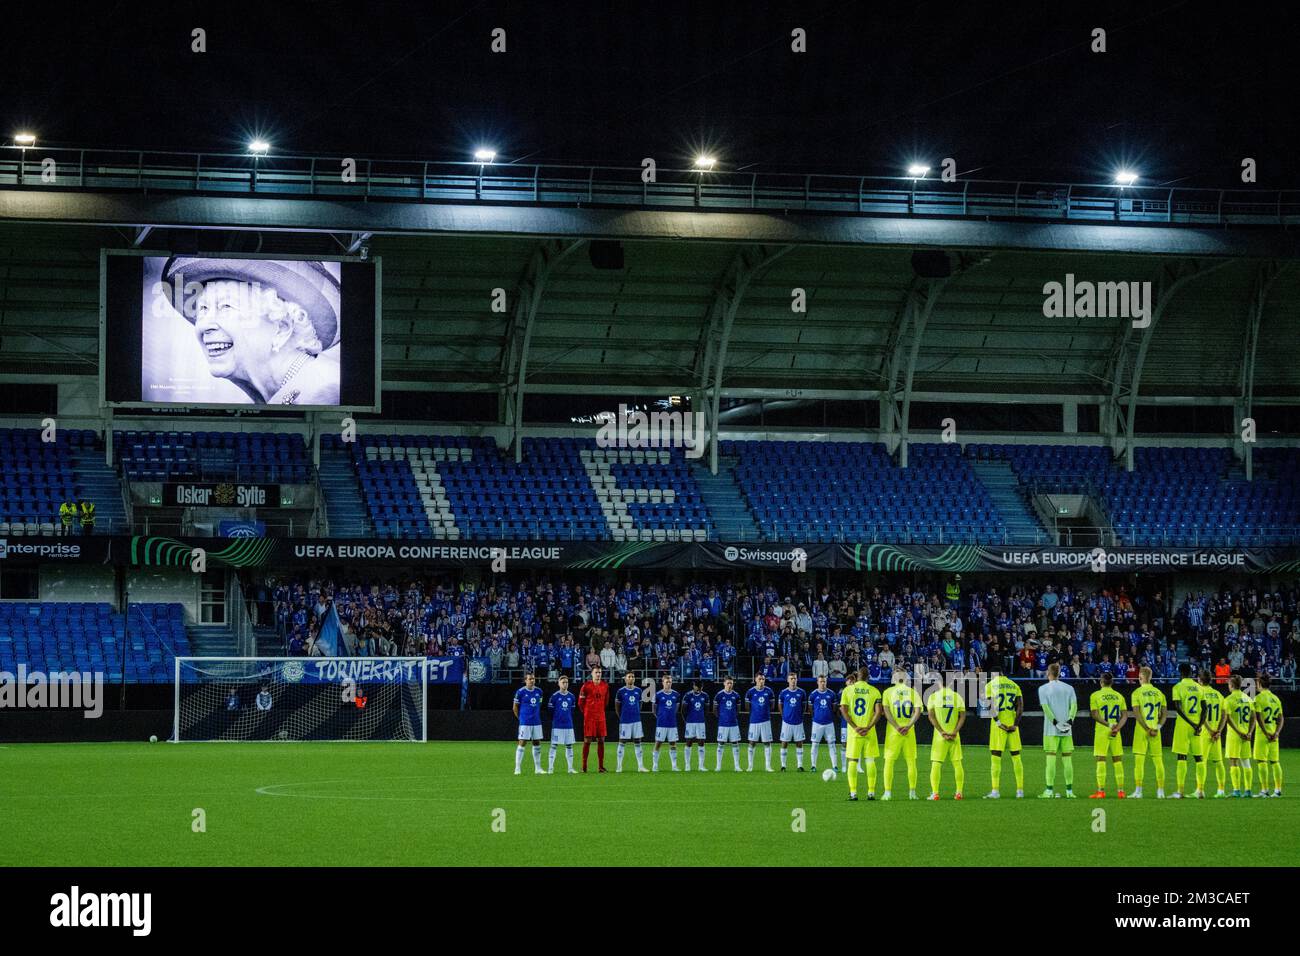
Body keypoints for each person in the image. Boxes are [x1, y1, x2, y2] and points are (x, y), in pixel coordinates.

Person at [160, 256, 342, 405]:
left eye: (226, 306)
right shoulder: (263, 401)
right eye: (203, 309)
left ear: (282, 328)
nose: (205, 325)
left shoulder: (326, 391)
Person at [839, 667, 882, 801]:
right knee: (870, 760)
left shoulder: (848, 690)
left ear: (857, 676)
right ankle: (871, 792)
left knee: (852, 761)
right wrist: (868, 727)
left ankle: (853, 793)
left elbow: (844, 711)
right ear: (868, 677)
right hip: (869, 732)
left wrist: (854, 727)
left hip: (854, 732)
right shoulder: (874, 691)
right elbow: (878, 712)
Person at [881, 668, 923, 800]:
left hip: (893, 731)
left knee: (889, 762)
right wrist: (908, 725)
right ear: (905, 678)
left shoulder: (888, 692)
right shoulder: (912, 692)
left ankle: (887, 793)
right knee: (911, 762)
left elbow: (886, 712)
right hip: (909, 731)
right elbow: (917, 711)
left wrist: (897, 727)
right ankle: (912, 793)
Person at [1037, 662, 1078, 799]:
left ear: (1048, 673)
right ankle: (1069, 791)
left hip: (1050, 730)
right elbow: (1074, 706)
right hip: (1067, 729)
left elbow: (1046, 709)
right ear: (1059, 673)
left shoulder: (1043, 689)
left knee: (1051, 759)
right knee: (1067, 759)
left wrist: (1055, 723)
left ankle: (1049, 790)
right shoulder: (1069, 688)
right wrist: (1070, 721)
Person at [926, 671, 967, 800]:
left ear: (939, 682)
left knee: (936, 763)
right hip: (955, 735)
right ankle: (959, 792)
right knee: (957, 763)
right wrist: (955, 731)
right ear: (949, 682)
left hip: (940, 736)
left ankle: (935, 793)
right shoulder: (957, 696)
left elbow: (931, 717)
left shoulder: (933, 696)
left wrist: (941, 731)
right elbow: (963, 716)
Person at [983, 671, 1024, 799]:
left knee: (996, 756)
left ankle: (995, 791)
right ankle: (1020, 791)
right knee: (1016, 757)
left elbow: (990, 706)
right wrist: (1016, 724)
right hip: (1011, 721)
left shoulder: (990, 685)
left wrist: (998, 722)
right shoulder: (1014, 685)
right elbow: (1020, 706)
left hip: (998, 725)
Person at [1087, 672, 1128, 799]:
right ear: (1112, 682)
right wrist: (1117, 728)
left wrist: (1108, 725)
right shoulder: (1119, 696)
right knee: (1117, 759)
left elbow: (1095, 714)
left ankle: (1101, 791)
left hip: (1102, 730)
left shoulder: (1095, 695)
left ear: (1101, 681)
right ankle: (1121, 791)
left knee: (1101, 759)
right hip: (1116, 730)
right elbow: (1125, 715)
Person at [1130, 666, 1168, 799]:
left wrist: (1146, 729)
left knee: (1139, 761)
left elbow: (1137, 713)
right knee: (1158, 761)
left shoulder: (1137, 693)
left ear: (1141, 676)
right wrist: (1158, 727)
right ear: (1150, 677)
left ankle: (1139, 791)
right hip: (1156, 730)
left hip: (1142, 730)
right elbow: (1164, 713)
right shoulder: (1159, 693)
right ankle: (1161, 792)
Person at [1170, 663, 1206, 799]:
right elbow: (1205, 708)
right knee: (1199, 758)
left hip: (1183, 725)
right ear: (1191, 672)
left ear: (1180, 672)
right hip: (1197, 726)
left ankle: (1180, 791)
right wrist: (1199, 725)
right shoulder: (1199, 687)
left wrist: (1191, 723)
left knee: (1181, 757)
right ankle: (1201, 790)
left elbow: (1179, 708)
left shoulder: (1178, 687)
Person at [1251, 674, 1284, 798]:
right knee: (1275, 762)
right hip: (1274, 735)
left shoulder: (1258, 698)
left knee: (1262, 761)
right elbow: (1281, 718)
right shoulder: (1276, 699)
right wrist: (1276, 733)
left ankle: (1264, 790)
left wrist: (1266, 733)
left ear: (1259, 684)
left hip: (1262, 735)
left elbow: (1258, 718)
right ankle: (1278, 790)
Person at [1222, 675, 1255, 797]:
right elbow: (1253, 718)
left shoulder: (1228, 700)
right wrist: (1250, 732)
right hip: (1247, 735)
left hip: (1235, 735)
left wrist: (1238, 732)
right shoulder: (1248, 698)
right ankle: (1248, 790)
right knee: (1246, 762)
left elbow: (1228, 719)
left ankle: (1236, 790)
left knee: (1233, 761)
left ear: (1231, 685)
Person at [1197, 669, 1228, 798]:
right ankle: (1221, 790)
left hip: (1205, 732)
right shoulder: (1218, 695)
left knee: (1201, 762)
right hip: (1217, 733)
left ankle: (1200, 790)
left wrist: (1210, 730)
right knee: (1218, 762)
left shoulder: (1200, 692)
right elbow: (1224, 714)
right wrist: (1219, 731)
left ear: (1200, 679)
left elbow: (1201, 714)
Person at [577, 665, 610, 773]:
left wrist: (599, 711)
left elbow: (606, 702)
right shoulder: (586, 686)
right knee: (587, 740)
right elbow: (580, 703)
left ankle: (601, 766)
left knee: (601, 740)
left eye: (600, 672)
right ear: (592, 674)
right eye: (596, 672)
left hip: (600, 717)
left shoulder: (605, 686)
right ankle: (584, 766)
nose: (598, 674)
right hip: (589, 717)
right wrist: (587, 712)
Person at [614, 671, 648, 773]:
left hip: (636, 720)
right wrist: (622, 717)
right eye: (629, 676)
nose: (631, 678)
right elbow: (617, 707)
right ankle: (619, 766)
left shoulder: (638, 690)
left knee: (638, 741)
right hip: (625, 721)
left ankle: (640, 766)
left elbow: (640, 705)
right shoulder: (621, 691)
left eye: (633, 676)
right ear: (625, 679)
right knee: (622, 741)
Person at [512, 673, 545, 775]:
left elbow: (539, 704)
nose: (532, 681)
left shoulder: (539, 691)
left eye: (533, 679)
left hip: (536, 722)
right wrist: (521, 719)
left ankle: (538, 768)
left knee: (537, 743)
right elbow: (515, 707)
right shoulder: (520, 692)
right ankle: (517, 768)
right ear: (525, 680)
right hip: (525, 722)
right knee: (522, 743)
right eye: (530, 679)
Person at [808, 674, 839, 773]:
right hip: (817, 723)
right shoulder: (813, 695)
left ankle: (835, 766)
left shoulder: (831, 694)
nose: (822, 683)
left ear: (826, 682)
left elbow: (834, 708)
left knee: (832, 744)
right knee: (815, 744)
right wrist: (815, 717)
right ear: (817, 682)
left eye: (824, 681)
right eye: (821, 681)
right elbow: (810, 709)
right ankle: (813, 766)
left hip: (829, 723)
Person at [745, 673, 776, 772]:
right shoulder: (750, 692)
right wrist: (754, 714)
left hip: (766, 720)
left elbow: (772, 705)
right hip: (754, 721)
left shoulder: (769, 691)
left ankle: (768, 766)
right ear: (755, 679)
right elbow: (747, 706)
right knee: (752, 742)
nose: (761, 681)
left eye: (763, 679)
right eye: (760, 679)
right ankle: (750, 766)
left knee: (767, 743)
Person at [777, 672, 807, 772]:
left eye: (794, 678)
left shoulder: (802, 692)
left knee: (799, 743)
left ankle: (800, 766)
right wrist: (783, 716)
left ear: (797, 680)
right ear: (787, 680)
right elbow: (780, 705)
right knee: (784, 743)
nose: (793, 680)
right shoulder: (783, 692)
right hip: (787, 722)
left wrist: (800, 715)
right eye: (791, 679)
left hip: (798, 721)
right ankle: (783, 766)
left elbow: (804, 706)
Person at [651, 674, 680, 772]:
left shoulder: (676, 694)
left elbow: (676, 708)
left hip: (672, 724)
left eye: (670, 682)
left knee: (673, 744)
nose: (668, 683)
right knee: (658, 743)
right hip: (661, 724)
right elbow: (654, 710)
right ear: (663, 682)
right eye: (667, 682)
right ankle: (655, 765)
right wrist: (660, 717)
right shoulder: (658, 695)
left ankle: (674, 766)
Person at [713, 677, 742, 772]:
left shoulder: (736, 695)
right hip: (723, 724)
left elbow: (738, 710)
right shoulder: (719, 695)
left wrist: (733, 717)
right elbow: (715, 709)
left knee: (735, 743)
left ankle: (737, 766)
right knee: (721, 743)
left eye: (731, 683)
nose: (730, 685)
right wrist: (721, 718)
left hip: (733, 724)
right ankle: (718, 766)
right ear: (724, 683)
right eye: (728, 683)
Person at [681, 680, 710, 772]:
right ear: (694, 686)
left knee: (701, 742)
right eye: (697, 686)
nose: (699, 688)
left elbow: (706, 710)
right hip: (690, 722)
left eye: (701, 686)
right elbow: (683, 710)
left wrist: (702, 718)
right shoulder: (688, 695)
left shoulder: (705, 696)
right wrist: (686, 721)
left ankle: (701, 766)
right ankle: (687, 765)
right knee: (689, 742)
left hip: (700, 722)